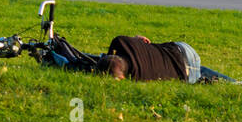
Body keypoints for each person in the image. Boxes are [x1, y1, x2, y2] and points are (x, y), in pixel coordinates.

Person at [95, 35, 231, 83]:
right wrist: (137, 40)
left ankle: (232, 82)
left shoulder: (139, 77)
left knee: (200, 72)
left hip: (189, 71)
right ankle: (233, 82)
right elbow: (141, 39)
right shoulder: (119, 41)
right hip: (181, 48)